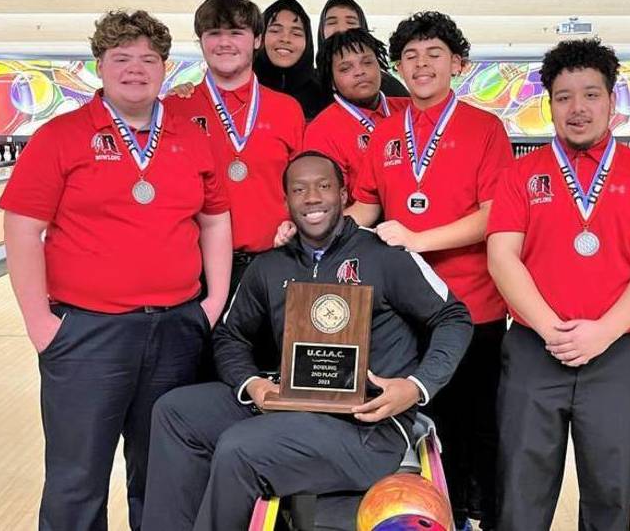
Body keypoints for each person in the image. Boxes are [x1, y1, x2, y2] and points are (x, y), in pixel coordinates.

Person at [140, 151, 473, 531]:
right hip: (293, 405)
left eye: (323, 186)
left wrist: (416, 388)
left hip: (366, 426)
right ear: (286, 202)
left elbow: (454, 317)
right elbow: (231, 335)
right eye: (299, 189)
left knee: (241, 447)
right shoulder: (271, 264)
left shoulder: (385, 255)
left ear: (344, 194)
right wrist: (254, 385)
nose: (312, 197)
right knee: (175, 411)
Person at [0, 9, 233, 531]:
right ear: (100, 66)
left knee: (165, 478)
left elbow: (216, 221)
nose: (135, 69)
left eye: (148, 59)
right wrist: (42, 324)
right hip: (88, 334)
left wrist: (212, 304)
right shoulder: (61, 136)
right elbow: (21, 230)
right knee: (76, 479)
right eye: (121, 58)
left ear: (165, 68)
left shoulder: (192, 138)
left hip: (176, 329)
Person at [486, 38, 630, 531]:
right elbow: (502, 255)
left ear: (612, 101)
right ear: (548, 104)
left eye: (591, 95)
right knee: (520, 495)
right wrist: (551, 328)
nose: (578, 109)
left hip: (618, 353)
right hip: (535, 347)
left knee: (609, 493)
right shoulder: (520, 174)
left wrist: (604, 331)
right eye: (564, 97)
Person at [349, 11, 513, 531]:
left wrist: (418, 240)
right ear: (398, 65)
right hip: (403, 311)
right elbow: (367, 206)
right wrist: (314, 229)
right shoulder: (386, 134)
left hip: (473, 307)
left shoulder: (485, 128)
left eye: (434, 54)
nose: (421, 65)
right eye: (411, 56)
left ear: (457, 63)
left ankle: (477, 518)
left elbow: (494, 217)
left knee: (474, 426)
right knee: (419, 427)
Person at [167, 0, 305, 297]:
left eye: (236, 33)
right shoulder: (175, 109)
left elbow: (300, 186)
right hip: (193, 270)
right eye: (213, 33)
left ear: (256, 40)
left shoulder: (287, 109)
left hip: (273, 264)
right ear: (201, 42)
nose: (224, 42)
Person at [303, 27, 409, 199]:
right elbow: (330, 203)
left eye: (367, 62)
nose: (360, 72)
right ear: (332, 82)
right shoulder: (321, 131)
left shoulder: (410, 109)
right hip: (360, 222)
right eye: (346, 68)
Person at [316, 0, 409, 102]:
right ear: (321, 31)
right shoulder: (311, 86)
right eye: (332, 22)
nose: (342, 29)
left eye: (351, 22)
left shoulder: (389, 86)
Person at [253, 0, 326, 120]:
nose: (285, 39)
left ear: (307, 42)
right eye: (275, 30)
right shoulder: (243, 86)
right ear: (260, 37)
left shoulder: (323, 93)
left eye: (296, 33)